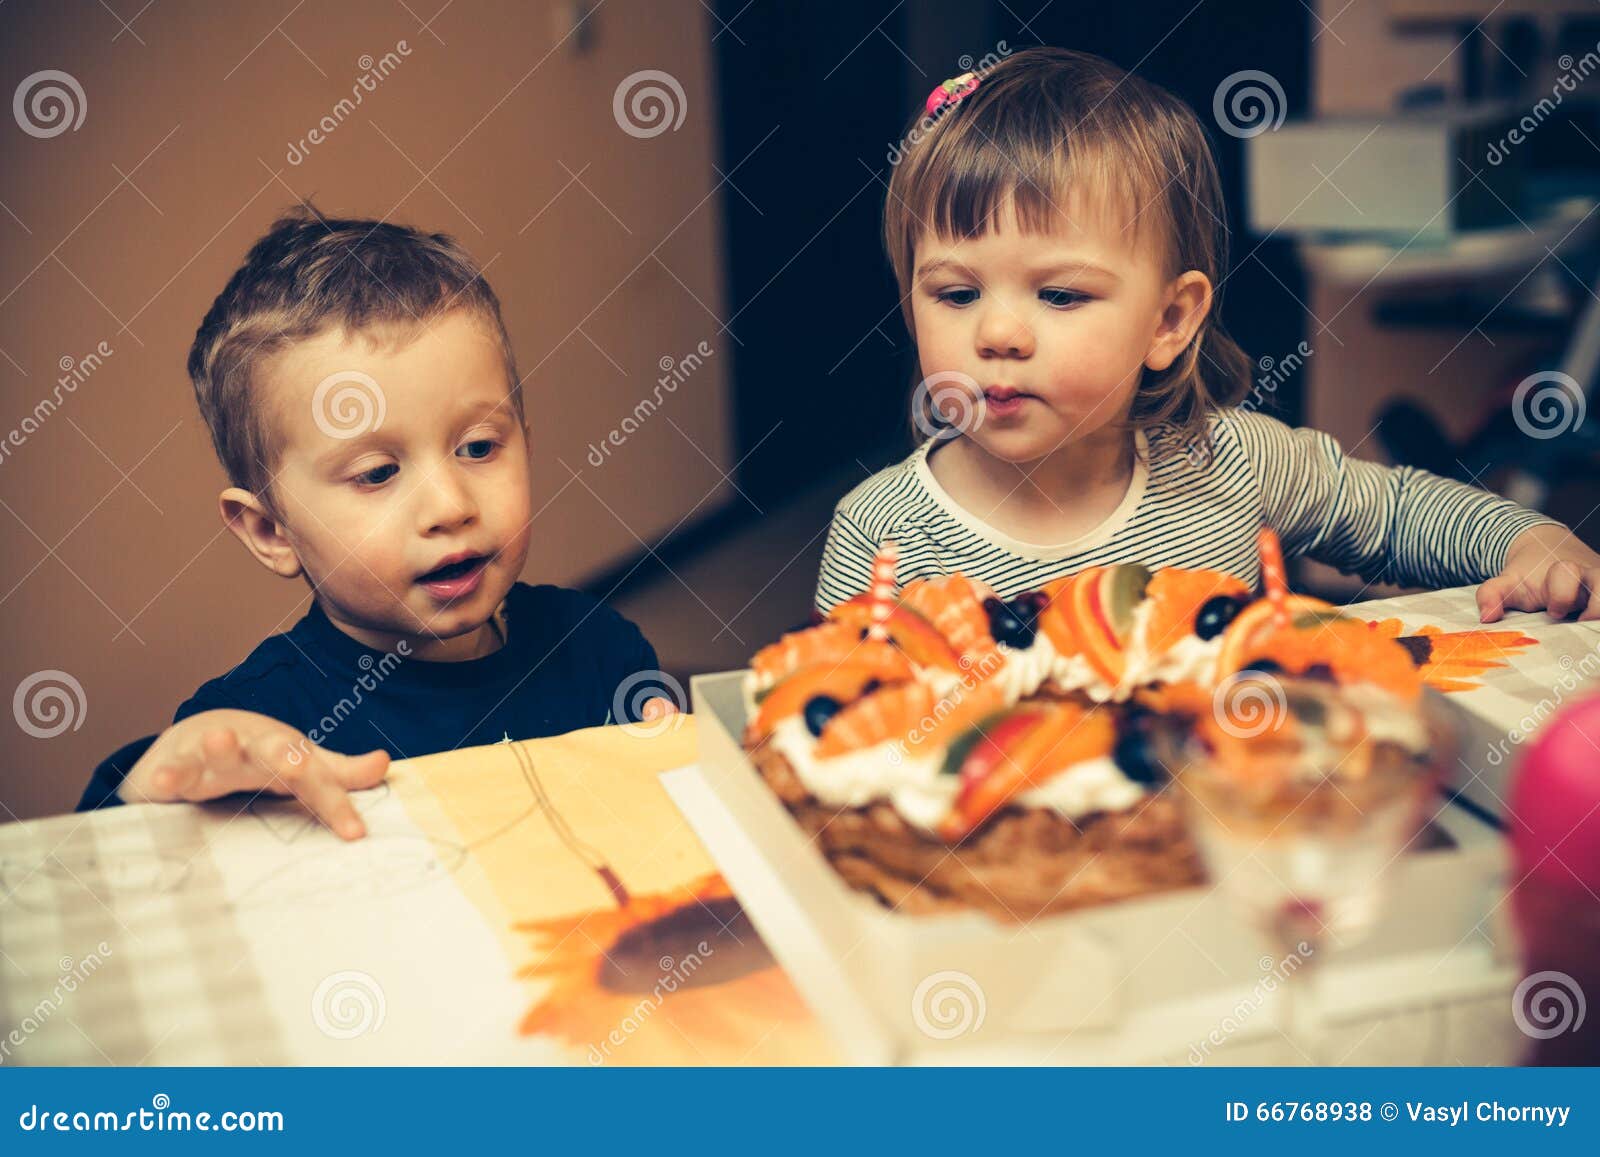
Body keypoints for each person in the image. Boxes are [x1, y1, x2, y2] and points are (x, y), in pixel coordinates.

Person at [815, 47, 1600, 624]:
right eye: (955, 292)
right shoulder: (881, 533)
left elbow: (1394, 515)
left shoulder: (1233, 465)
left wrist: (1527, 540)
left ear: (1169, 321)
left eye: (1059, 292)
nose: (997, 332)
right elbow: (835, 729)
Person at [77, 209, 676, 837]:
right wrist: (154, 789)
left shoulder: (600, 653)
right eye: (377, 473)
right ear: (270, 532)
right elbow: (90, 888)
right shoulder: (256, 727)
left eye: (477, 447)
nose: (450, 506)